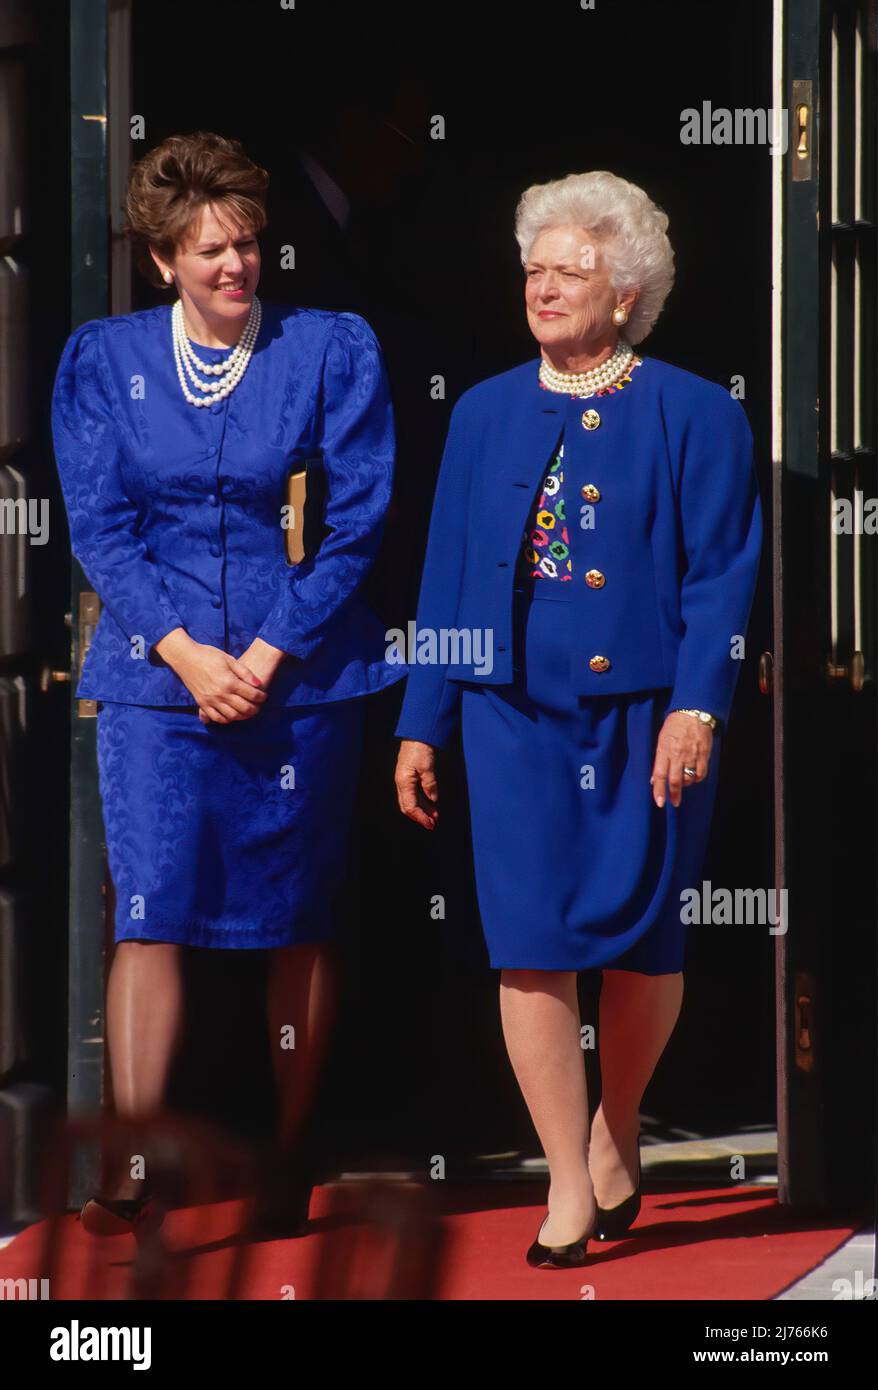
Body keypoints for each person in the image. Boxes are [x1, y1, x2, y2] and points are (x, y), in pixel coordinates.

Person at [393, 170, 763, 1269]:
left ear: (627, 292)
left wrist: (696, 707)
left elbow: (720, 577)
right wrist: (422, 721)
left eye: (571, 270)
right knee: (528, 949)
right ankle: (563, 1172)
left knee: (642, 942)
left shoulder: (696, 410)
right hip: (508, 714)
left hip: (646, 712)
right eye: (533, 270)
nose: (544, 287)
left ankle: (617, 1126)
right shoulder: (483, 409)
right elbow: (449, 574)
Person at [51, 131, 403, 1237]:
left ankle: (288, 1162)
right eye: (210, 250)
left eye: (247, 244)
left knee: (294, 919)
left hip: (296, 682)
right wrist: (187, 652)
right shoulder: (103, 362)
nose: (235, 266)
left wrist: (263, 652)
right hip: (160, 688)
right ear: (163, 260)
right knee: (148, 915)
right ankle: (129, 1168)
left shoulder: (327, 349)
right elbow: (102, 531)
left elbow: (355, 520)